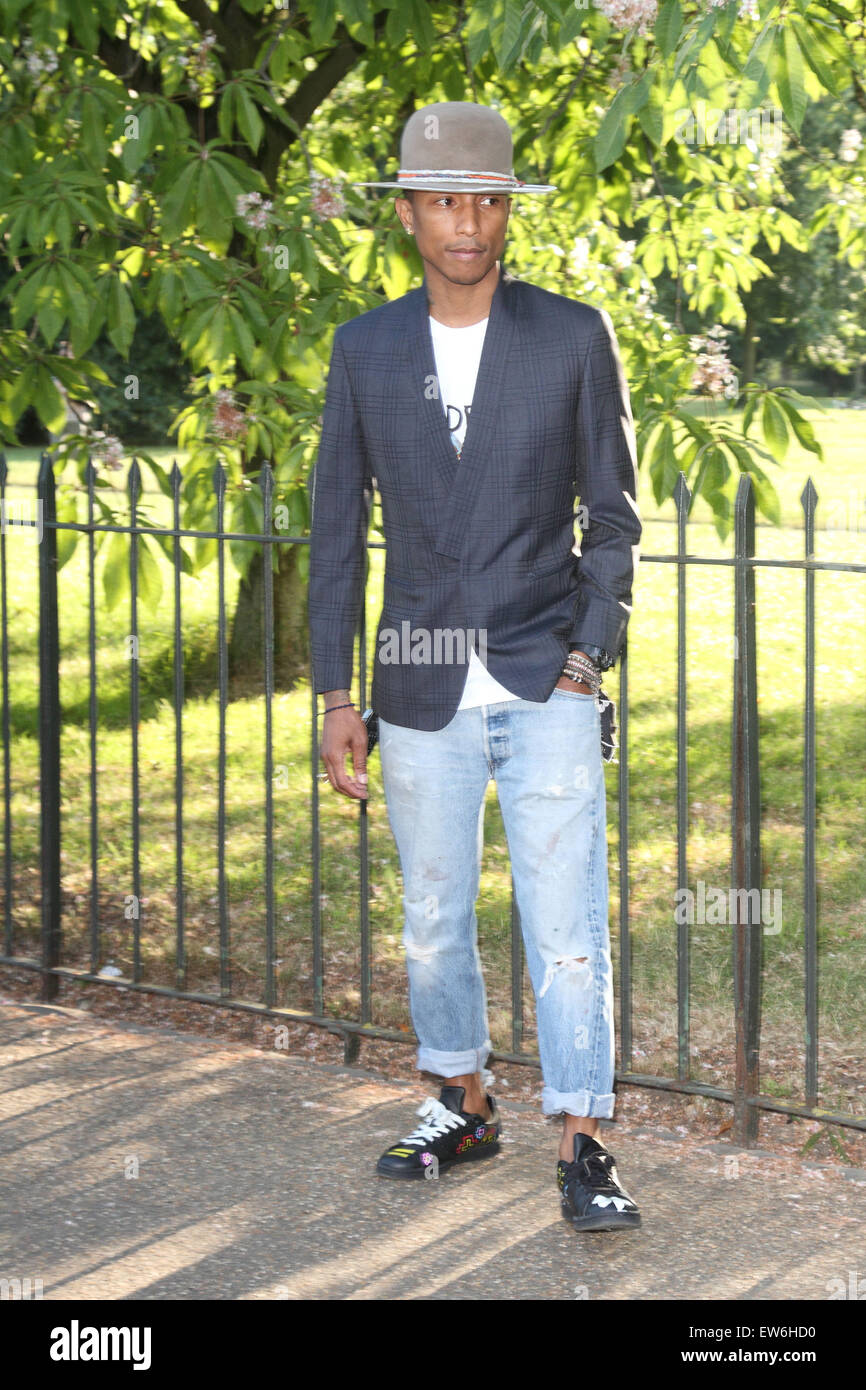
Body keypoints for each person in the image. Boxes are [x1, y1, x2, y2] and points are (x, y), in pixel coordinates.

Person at [308, 102, 643, 1231]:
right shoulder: (364, 349)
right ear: (406, 213)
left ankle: (582, 1140)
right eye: (444, 200)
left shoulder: (569, 336)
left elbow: (612, 515)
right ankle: (459, 1101)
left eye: (485, 201)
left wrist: (587, 653)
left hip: (545, 673)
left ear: (505, 212)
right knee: (434, 914)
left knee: (565, 924)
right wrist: (335, 693)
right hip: (415, 680)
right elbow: (336, 537)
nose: (467, 221)